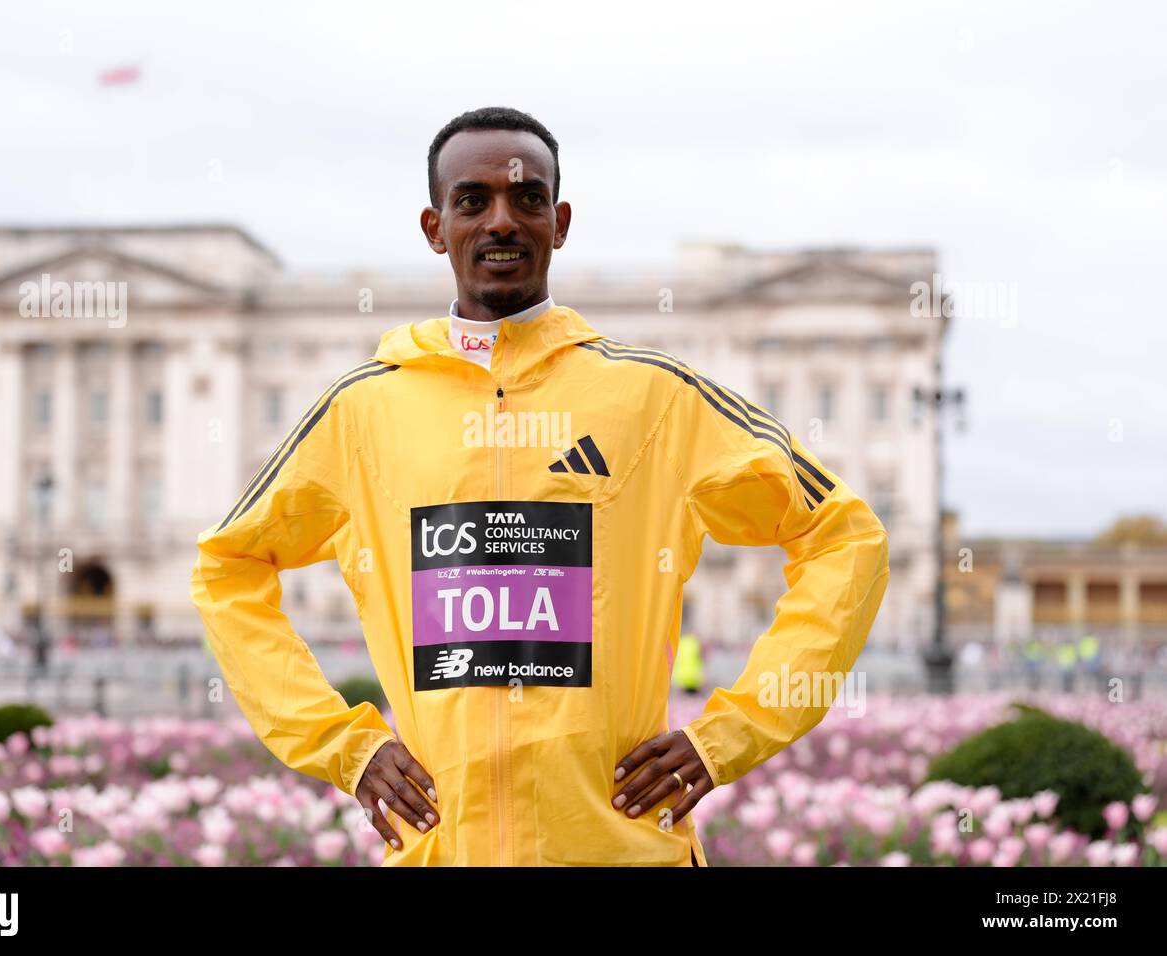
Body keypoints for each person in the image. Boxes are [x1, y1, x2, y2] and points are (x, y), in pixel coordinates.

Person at [189, 106, 890, 866]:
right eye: (472, 200)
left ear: (558, 222)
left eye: (526, 200)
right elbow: (226, 567)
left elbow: (845, 538)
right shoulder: (363, 410)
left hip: (621, 850)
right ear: (435, 227)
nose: (501, 221)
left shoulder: (655, 397)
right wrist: (343, 747)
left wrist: (726, 738)